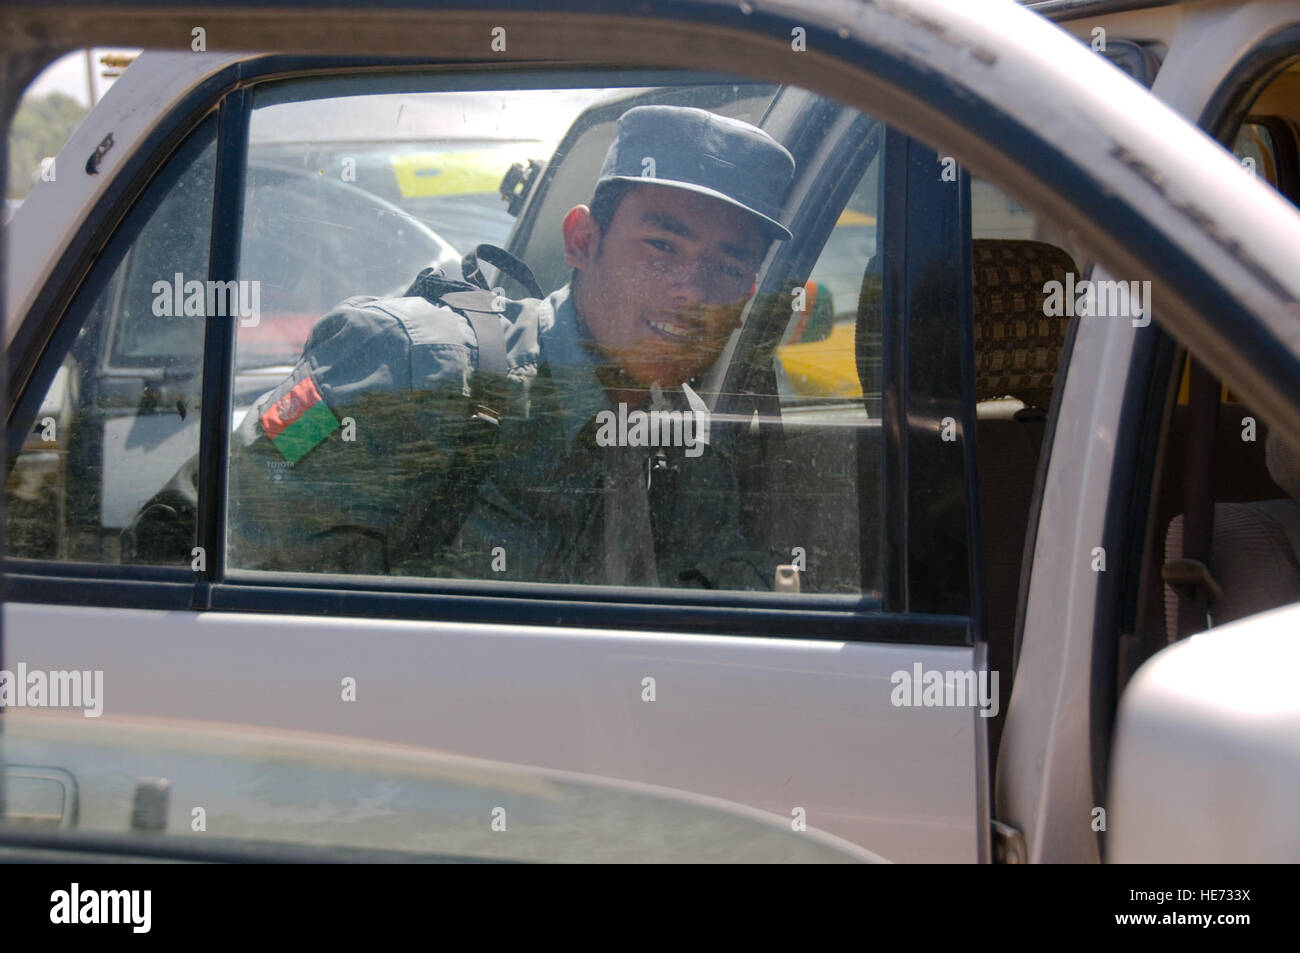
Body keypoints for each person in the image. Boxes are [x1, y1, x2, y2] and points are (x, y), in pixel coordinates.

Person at [225, 104, 796, 589]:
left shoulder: (682, 428)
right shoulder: (408, 362)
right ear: (582, 241)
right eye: (662, 246)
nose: (692, 291)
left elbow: (715, 585)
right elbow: (241, 549)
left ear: (746, 294)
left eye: (726, 265)